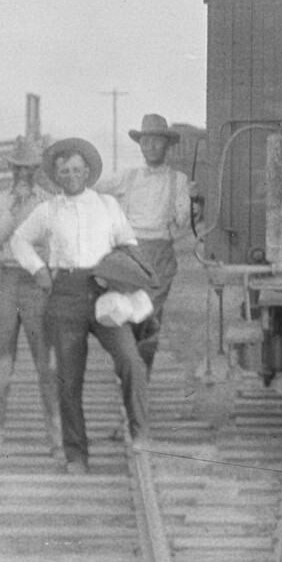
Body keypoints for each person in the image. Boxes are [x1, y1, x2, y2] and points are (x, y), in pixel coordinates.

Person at [9, 138, 147, 473]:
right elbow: (19, 240)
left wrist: (117, 270)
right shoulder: (48, 210)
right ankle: (76, 454)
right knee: (68, 377)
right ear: (55, 175)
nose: (71, 175)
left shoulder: (107, 205)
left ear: (87, 171)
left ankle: (140, 432)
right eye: (64, 171)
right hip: (65, 294)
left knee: (130, 359)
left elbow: (128, 241)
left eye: (76, 169)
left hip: (105, 292)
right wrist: (39, 270)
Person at [0, 136, 61, 458]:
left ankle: (57, 438)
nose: (23, 174)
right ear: (10, 168)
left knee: (47, 365)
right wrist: (16, 210)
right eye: (18, 168)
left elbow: (54, 246)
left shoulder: (50, 201)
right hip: (6, 280)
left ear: (38, 169)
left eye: (30, 169)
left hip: (37, 282)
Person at [94, 114, 191, 374]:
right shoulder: (130, 177)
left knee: (149, 319)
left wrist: (185, 210)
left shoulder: (178, 180)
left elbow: (183, 218)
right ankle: (125, 371)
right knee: (124, 315)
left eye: (156, 141)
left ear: (167, 146)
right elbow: (96, 188)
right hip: (130, 254)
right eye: (145, 141)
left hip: (159, 255)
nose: (150, 147)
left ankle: (140, 379)